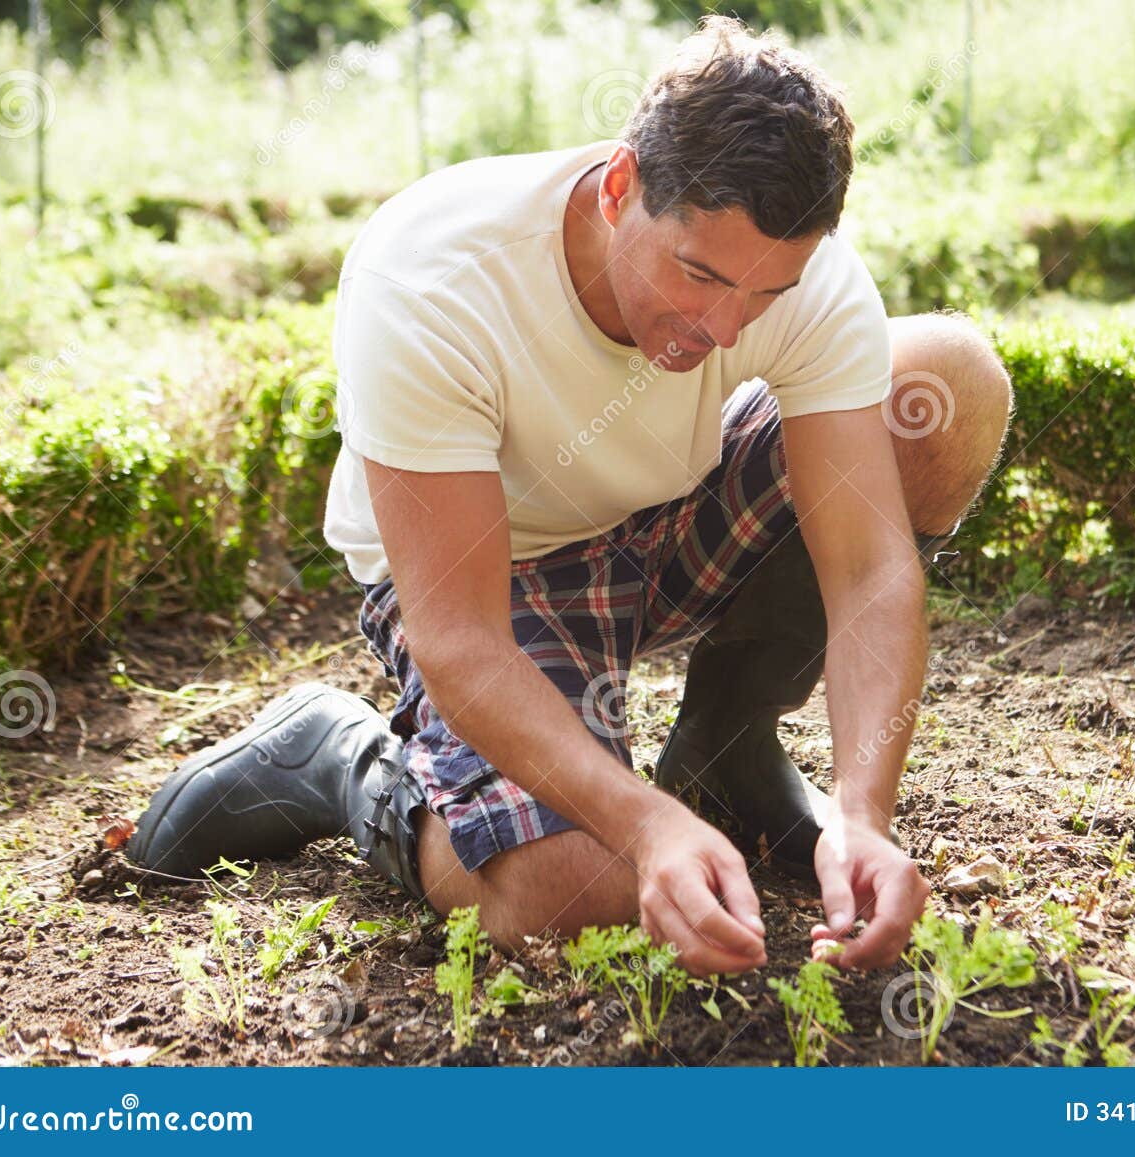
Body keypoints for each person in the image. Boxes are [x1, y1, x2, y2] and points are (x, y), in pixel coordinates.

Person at [127, 16, 1012, 978]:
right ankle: (346, 764)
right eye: (698, 274)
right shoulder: (433, 275)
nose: (721, 327)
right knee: (583, 894)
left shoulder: (796, 278)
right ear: (621, 187)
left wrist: (863, 815)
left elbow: (870, 571)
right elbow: (461, 638)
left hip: (671, 515)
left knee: (945, 388)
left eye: (762, 295)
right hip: (497, 572)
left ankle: (727, 748)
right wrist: (640, 829)